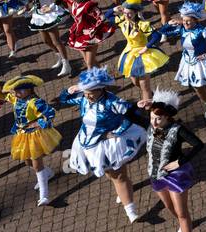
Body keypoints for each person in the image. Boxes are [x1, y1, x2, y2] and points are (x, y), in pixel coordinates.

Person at [60, 67, 149, 223]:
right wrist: (70, 89)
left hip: (108, 144)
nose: (87, 94)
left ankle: (130, 209)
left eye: (91, 91)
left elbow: (132, 115)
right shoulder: (82, 98)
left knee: (118, 175)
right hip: (87, 143)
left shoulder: (112, 102)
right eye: (85, 90)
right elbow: (63, 99)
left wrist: (118, 132)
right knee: (110, 174)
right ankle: (122, 192)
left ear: (101, 89)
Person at [146, 88, 203, 232]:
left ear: (168, 117)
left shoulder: (177, 129)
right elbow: (130, 114)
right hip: (155, 175)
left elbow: (198, 145)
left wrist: (180, 162)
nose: (154, 122)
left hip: (175, 176)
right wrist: (141, 105)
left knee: (182, 212)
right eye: (152, 118)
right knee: (169, 207)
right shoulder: (151, 124)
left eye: (158, 118)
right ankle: (181, 225)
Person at [1, 74, 62, 204]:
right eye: (15, 91)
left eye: (20, 90)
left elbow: (50, 113)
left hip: (35, 135)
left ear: (29, 90)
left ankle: (44, 195)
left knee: (36, 163)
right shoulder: (16, 99)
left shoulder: (34, 102)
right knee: (27, 161)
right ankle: (48, 173)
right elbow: (5, 96)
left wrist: (41, 123)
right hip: (21, 134)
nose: (16, 93)